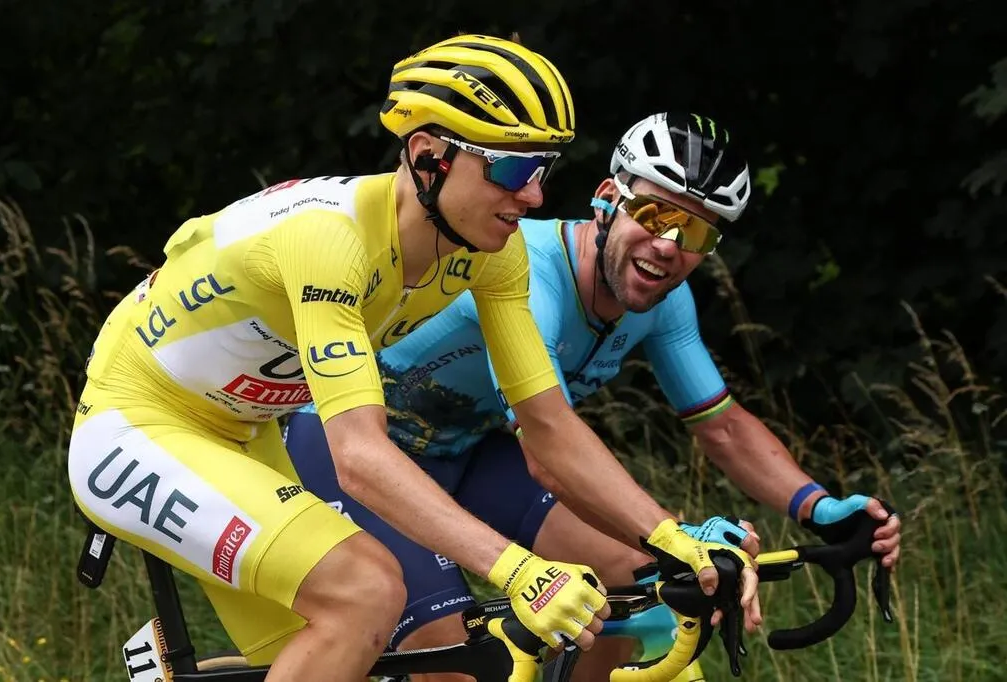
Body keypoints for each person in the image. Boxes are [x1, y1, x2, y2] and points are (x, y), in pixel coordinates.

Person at [66, 30, 758, 682]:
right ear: (429, 155)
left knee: (358, 656)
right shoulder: (328, 242)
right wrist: (521, 571)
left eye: (544, 168)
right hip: (136, 425)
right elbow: (360, 457)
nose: (534, 195)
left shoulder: (493, 253)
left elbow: (547, 428)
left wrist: (671, 538)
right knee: (367, 590)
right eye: (513, 167)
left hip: (242, 431)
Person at [284, 111, 902, 681]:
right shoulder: (532, 274)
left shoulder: (664, 303)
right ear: (608, 199)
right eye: (658, 216)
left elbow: (723, 426)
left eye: (696, 233)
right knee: (456, 654)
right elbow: (547, 447)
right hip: (356, 450)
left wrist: (818, 508)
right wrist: (673, 533)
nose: (669, 246)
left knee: (636, 587)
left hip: (468, 453)